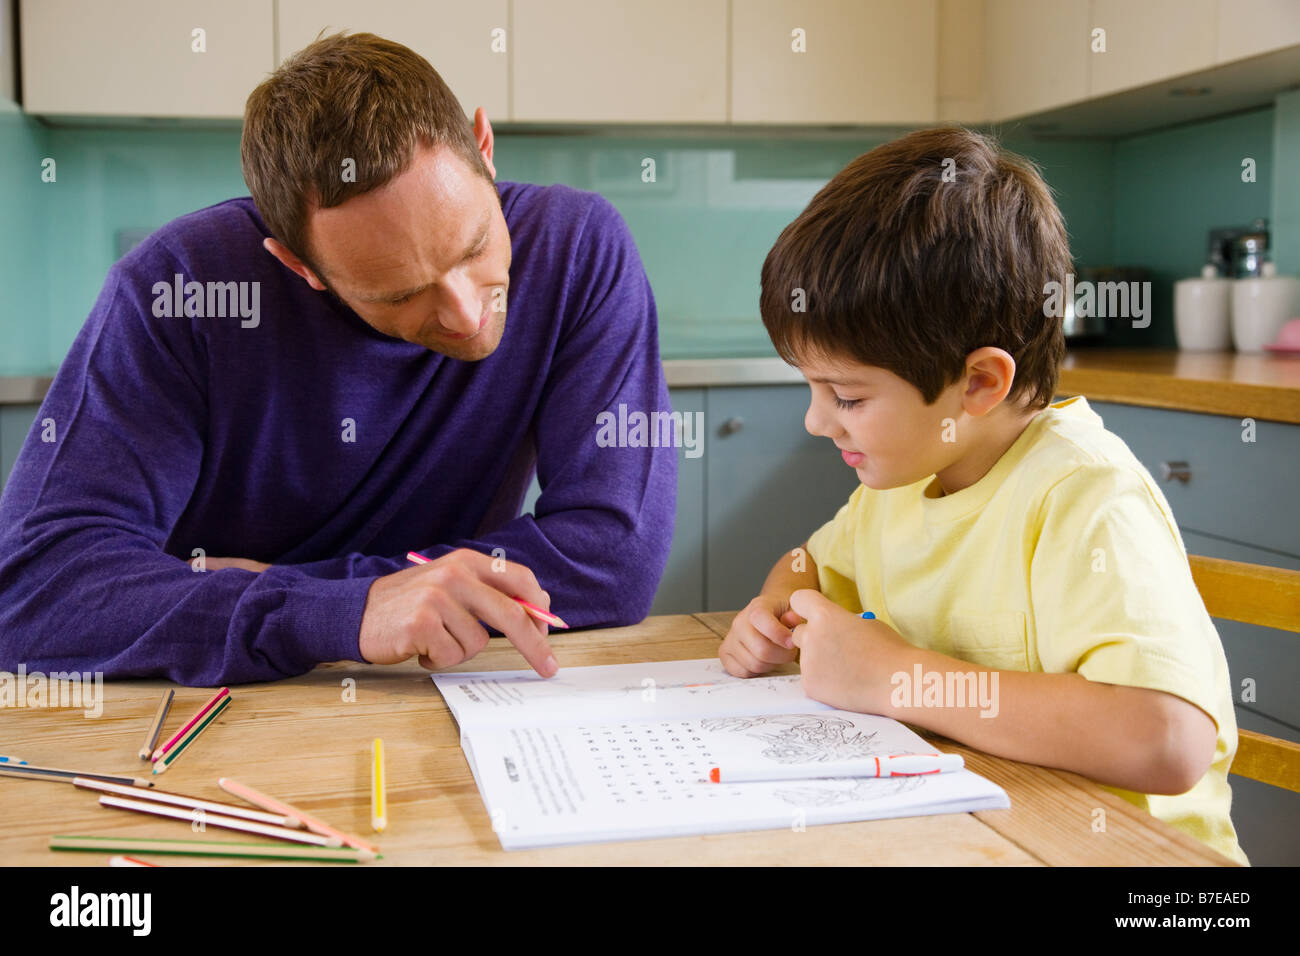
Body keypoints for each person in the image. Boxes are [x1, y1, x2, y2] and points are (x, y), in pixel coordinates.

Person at [0, 33, 676, 686]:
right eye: (401, 294)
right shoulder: (181, 288)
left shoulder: (578, 248)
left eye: (473, 248)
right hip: (225, 705)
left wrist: (280, 588)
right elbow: (33, 595)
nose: (468, 314)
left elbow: (614, 557)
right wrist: (346, 612)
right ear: (301, 265)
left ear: (484, 147)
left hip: (444, 683)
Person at [720, 126, 1247, 865]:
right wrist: (776, 611)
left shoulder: (1084, 497)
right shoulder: (898, 483)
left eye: (845, 394)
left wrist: (896, 678)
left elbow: (1165, 738)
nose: (816, 421)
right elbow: (812, 563)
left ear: (978, 384)